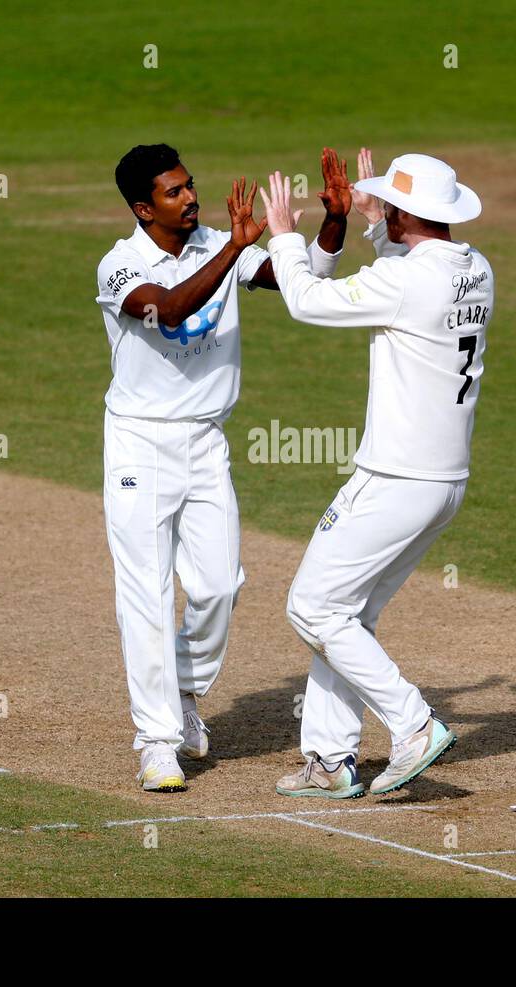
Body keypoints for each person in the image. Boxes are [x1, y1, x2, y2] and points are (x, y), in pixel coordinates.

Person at [95, 144, 350, 792]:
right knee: (147, 596)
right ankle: (156, 742)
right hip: (140, 446)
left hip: (205, 442)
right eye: (175, 193)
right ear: (142, 207)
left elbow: (307, 276)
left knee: (218, 586)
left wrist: (334, 221)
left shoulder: (216, 239)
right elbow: (169, 309)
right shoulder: (120, 266)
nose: (191, 198)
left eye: (191, 186)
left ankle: (182, 693)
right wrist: (232, 251)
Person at [258, 151, 492, 798]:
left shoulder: (410, 281)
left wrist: (283, 233)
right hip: (442, 482)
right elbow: (406, 269)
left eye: (391, 202)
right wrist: (373, 220)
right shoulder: (475, 267)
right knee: (347, 613)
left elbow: (306, 301)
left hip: (396, 477)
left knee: (312, 605)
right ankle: (331, 760)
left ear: (409, 213)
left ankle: (413, 724)